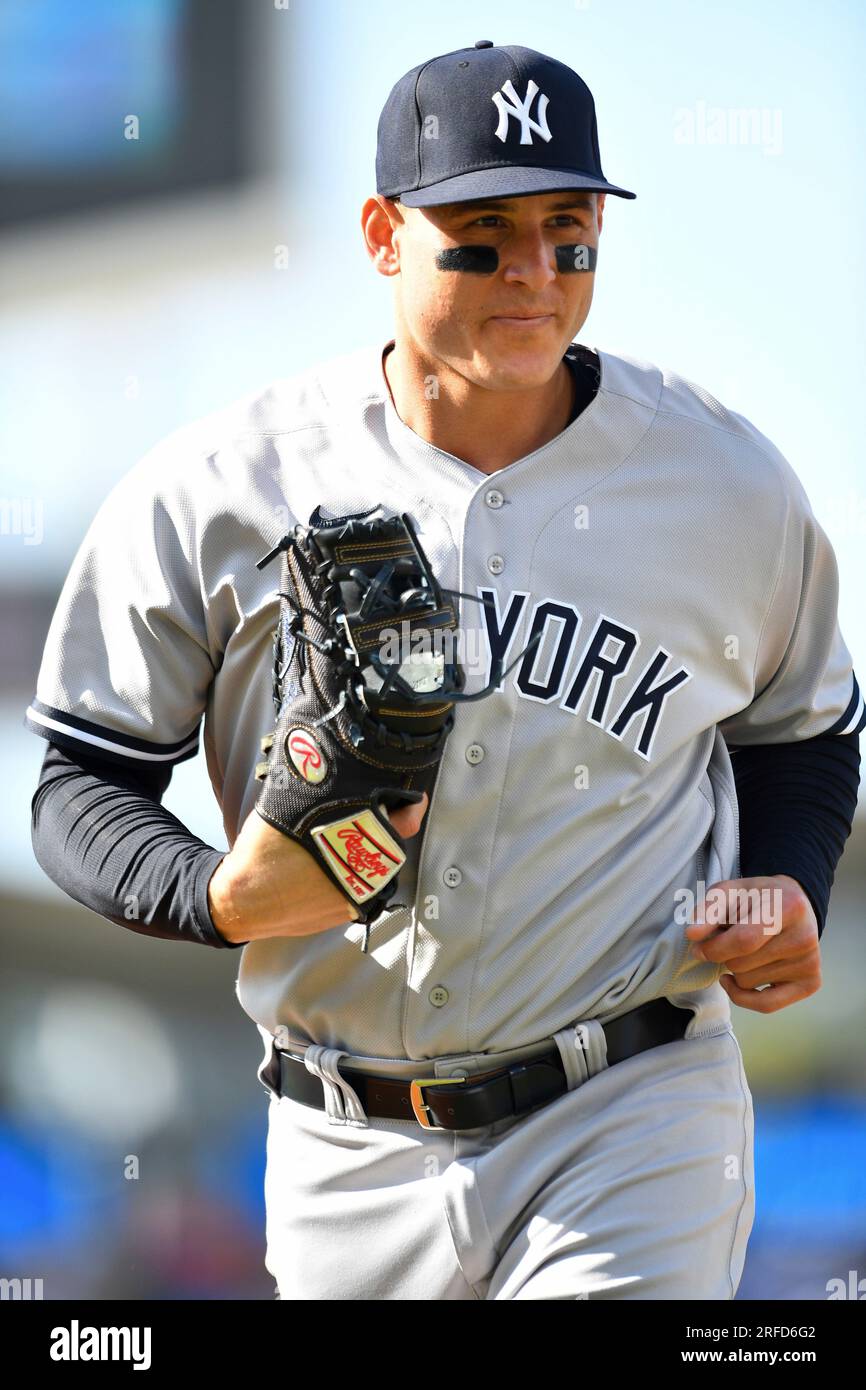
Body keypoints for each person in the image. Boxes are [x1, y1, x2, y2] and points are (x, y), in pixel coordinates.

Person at [27, 42, 862, 1300]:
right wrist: (216, 896)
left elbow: (802, 729)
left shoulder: (721, 484)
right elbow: (78, 780)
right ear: (381, 234)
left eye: (566, 231)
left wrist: (786, 882)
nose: (532, 272)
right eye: (480, 234)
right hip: (338, 1138)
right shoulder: (221, 488)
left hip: (626, 1107)